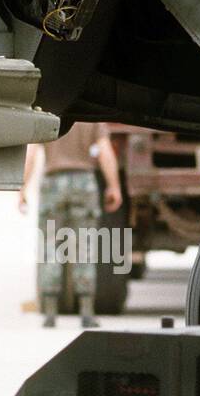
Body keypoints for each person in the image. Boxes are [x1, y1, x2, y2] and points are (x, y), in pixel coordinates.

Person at [19, 122, 122, 328]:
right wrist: (113, 186)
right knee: (84, 247)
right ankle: (86, 312)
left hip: (52, 184)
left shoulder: (48, 115)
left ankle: (50, 312)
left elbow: (31, 153)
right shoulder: (92, 117)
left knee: (50, 246)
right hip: (84, 183)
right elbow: (105, 151)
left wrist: (23, 187)